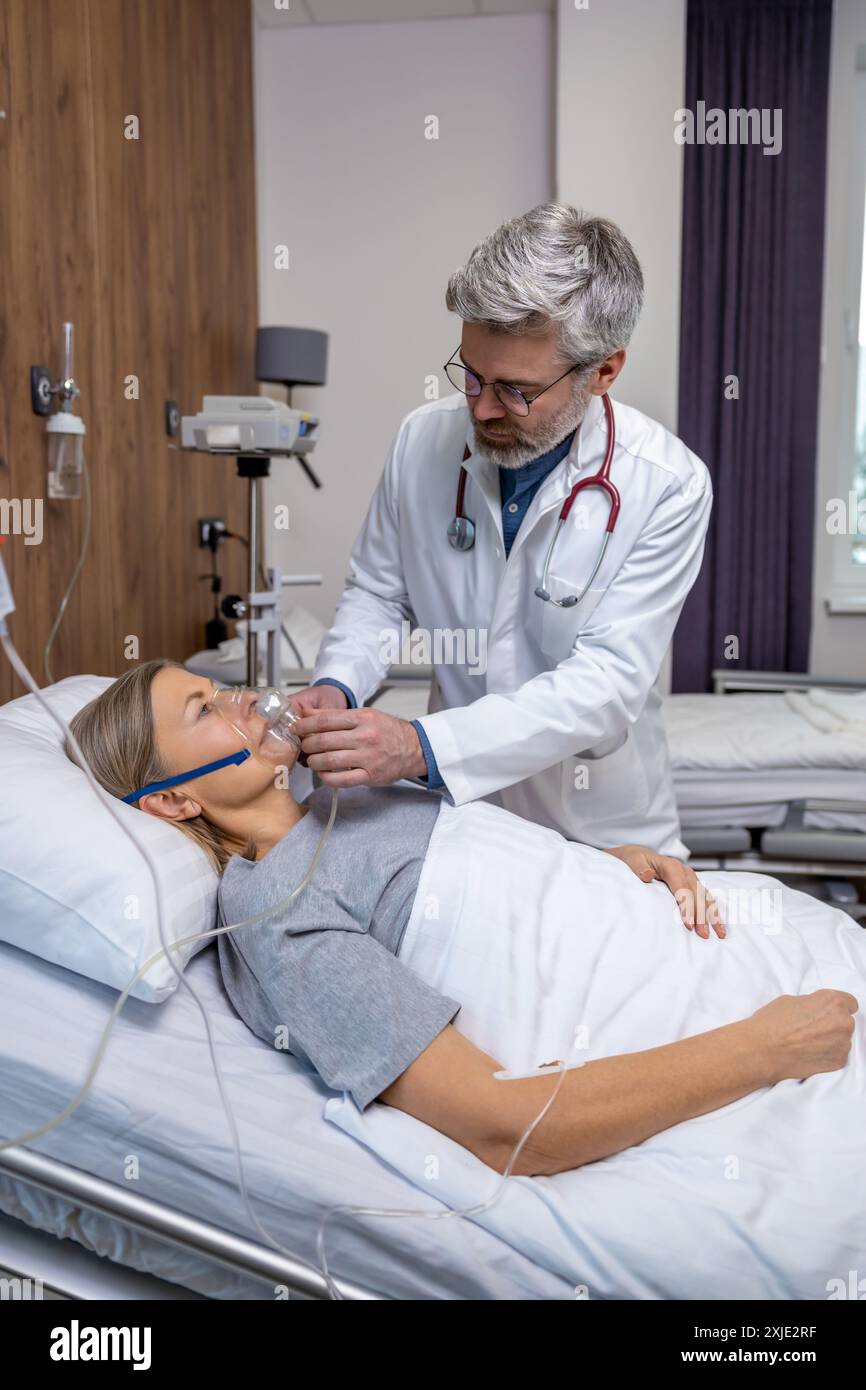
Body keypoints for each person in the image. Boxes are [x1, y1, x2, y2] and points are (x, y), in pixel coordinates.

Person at [65, 661, 857, 1179]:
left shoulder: (350, 792)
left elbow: (481, 879)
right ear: (174, 799)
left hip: (703, 938)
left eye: (216, 681)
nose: (243, 697)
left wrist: (601, 870)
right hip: (728, 1024)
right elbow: (507, 1125)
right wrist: (762, 1048)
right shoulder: (277, 909)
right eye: (206, 708)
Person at [289, 203, 713, 858]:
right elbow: (378, 593)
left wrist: (419, 746)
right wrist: (336, 681)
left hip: (602, 831)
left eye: (515, 390)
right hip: (460, 822)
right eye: (473, 375)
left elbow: (604, 685)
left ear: (603, 372)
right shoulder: (422, 441)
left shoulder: (668, 485)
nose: (481, 407)